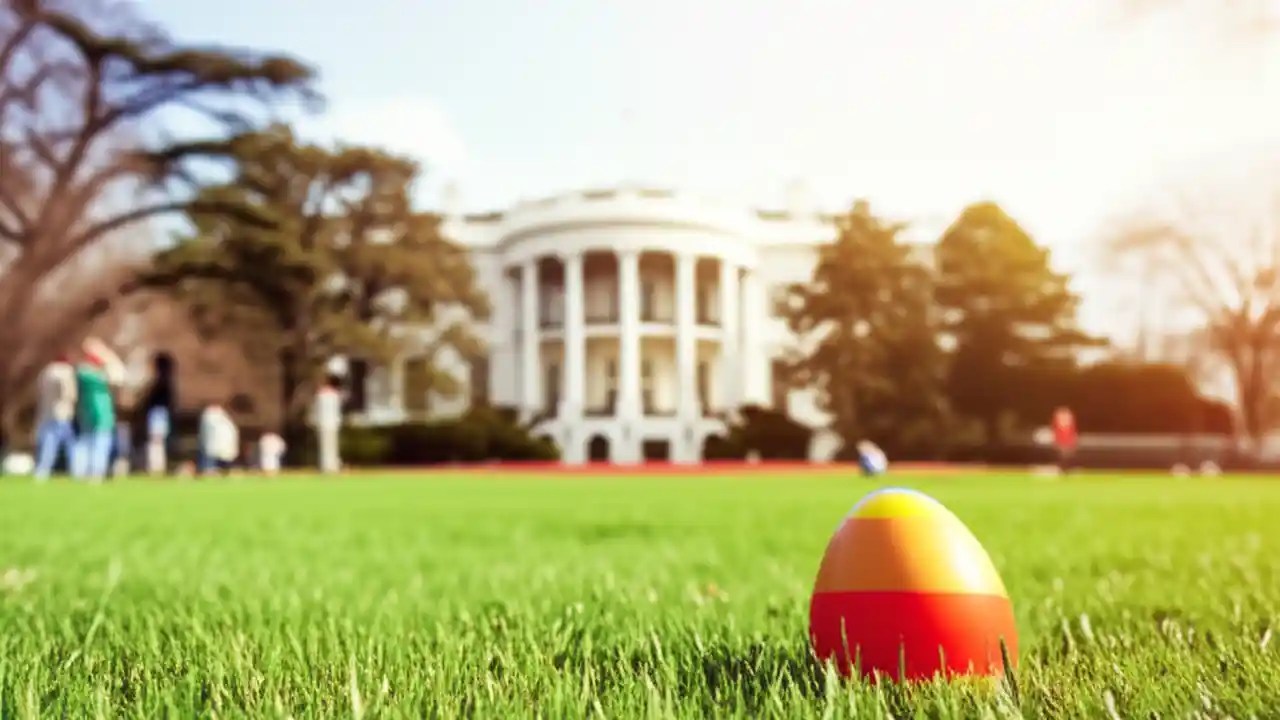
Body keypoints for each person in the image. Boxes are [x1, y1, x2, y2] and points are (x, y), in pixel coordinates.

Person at [73, 338, 123, 482]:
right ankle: (93, 474)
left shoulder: (83, 372)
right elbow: (119, 374)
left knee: (87, 445)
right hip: (100, 415)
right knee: (98, 446)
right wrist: (106, 354)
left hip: (88, 414)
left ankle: (83, 474)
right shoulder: (91, 374)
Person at [32, 353, 78, 481]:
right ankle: (77, 470)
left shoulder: (46, 372)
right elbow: (70, 394)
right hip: (62, 413)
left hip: (46, 413)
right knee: (70, 444)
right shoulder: (66, 372)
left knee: (48, 443)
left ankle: (42, 470)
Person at [141, 352, 176, 476]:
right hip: (161, 413)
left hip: (158, 413)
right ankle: (157, 466)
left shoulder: (161, 383)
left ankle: (156, 467)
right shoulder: (167, 382)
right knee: (158, 442)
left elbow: (151, 400)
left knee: (156, 441)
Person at [311, 373, 343, 474]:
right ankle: (331, 466)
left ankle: (326, 466)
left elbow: (316, 409)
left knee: (325, 446)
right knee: (331, 445)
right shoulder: (335, 395)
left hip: (324, 422)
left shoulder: (321, 394)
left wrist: (314, 420)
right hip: (332, 422)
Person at [198, 402, 239, 476]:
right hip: (216, 447)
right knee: (214, 461)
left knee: (214, 461)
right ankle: (211, 471)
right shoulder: (215, 417)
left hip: (216, 447)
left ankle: (213, 471)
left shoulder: (214, 417)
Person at [1052, 406, 1078, 473]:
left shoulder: (1069, 424)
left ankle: (1067, 469)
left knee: (1067, 455)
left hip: (1068, 443)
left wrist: (1073, 441)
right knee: (1063, 455)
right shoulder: (1059, 424)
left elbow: (1073, 433)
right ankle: (1063, 469)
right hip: (1061, 442)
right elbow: (1056, 433)